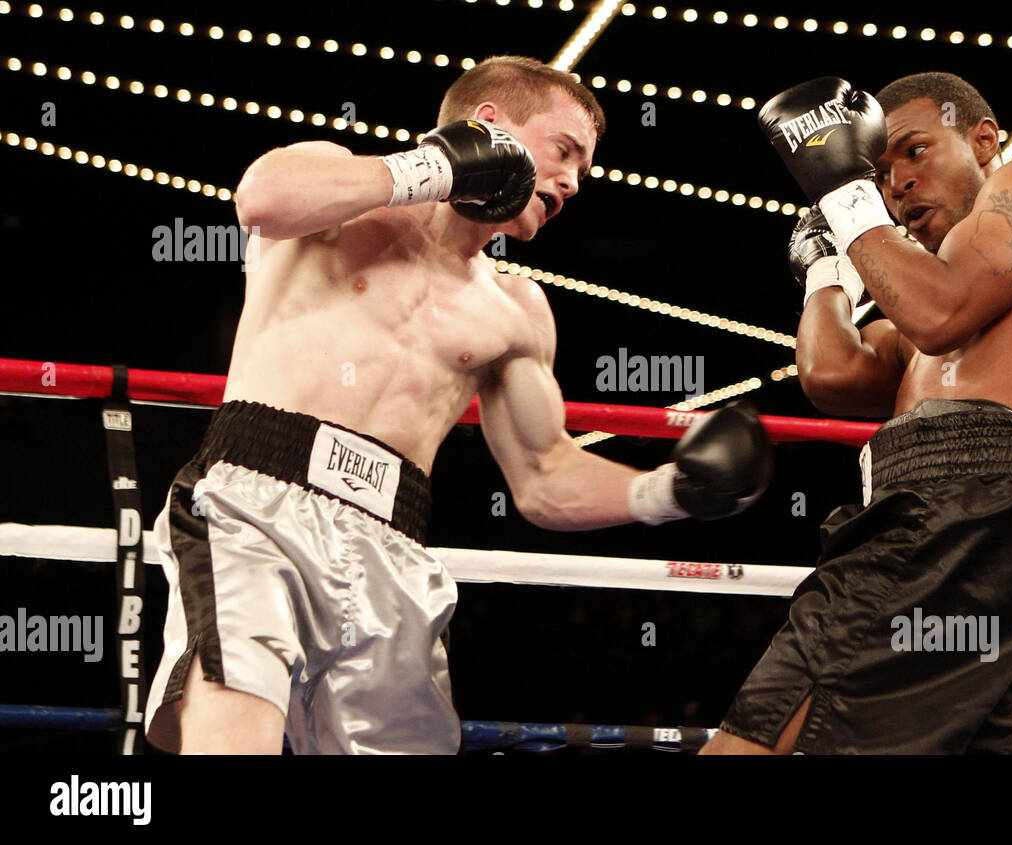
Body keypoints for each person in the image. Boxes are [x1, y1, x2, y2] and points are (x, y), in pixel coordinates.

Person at [142, 55, 773, 755]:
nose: (570, 181)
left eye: (583, 173)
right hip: (256, 504)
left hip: (391, 545)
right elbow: (260, 198)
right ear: (489, 126)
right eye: (563, 152)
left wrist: (670, 491)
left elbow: (543, 475)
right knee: (233, 733)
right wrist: (433, 166)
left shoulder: (515, 308)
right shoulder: (343, 199)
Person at [701, 72, 1012, 754]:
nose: (897, 185)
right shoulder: (930, 300)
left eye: (915, 152)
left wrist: (845, 191)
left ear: (983, 140)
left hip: (964, 501)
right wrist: (826, 267)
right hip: (966, 514)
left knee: (761, 732)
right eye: (880, 173)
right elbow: (832, 372)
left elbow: (939, 311)